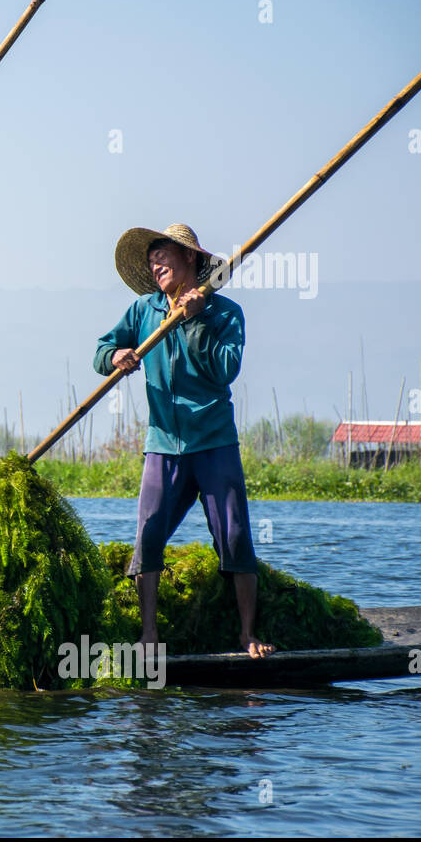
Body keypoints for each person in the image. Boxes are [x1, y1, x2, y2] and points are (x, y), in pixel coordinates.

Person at [95, 223, 274, 659]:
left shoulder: (224, 314)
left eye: (163, 256)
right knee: (149, 536)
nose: (155, 265)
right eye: (151, 259)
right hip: (163, 443)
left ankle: (248, 633)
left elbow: (224, 370)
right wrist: (115, 356)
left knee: (233, 536)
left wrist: (195, 325)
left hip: (213, 442)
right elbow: (101, 351)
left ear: (190, 258)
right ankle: (149, 634)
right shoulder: (143, 311)